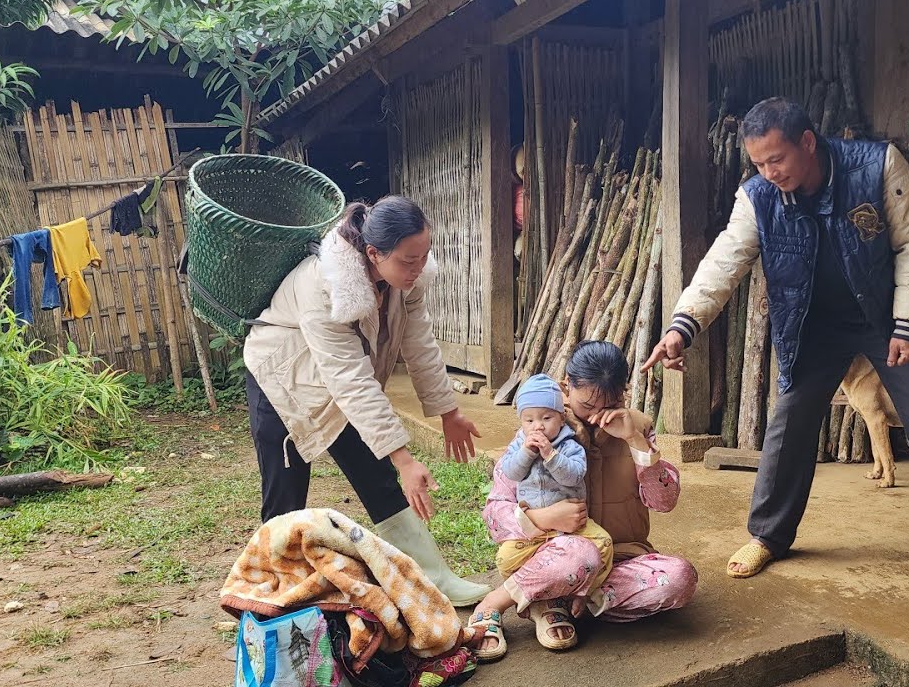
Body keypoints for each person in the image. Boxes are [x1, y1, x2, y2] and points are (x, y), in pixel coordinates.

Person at [642, 97, 909, 580]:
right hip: (812, 323)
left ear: (808, 143)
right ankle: (767, 536)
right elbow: (723, 262)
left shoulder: (877, 167)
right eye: (759, 163)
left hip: (886, 315)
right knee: (789, 423)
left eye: (777, 159)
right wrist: (682, 326)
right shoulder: (758, 197)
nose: (769, 172)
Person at [243, 195, 491, 607]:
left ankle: (432, 580)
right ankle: (270, 592)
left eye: (424, 256)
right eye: (408, 261)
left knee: (378, 477)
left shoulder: (405, 280)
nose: (418, 269)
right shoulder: (322, 286)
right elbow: (351, 379)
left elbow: (419, 341)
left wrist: (449, 412)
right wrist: (405, 458)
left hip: (338, 382)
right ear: (373, 253)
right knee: (286, 492)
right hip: (282, 379)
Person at [466, 341, 697, 660]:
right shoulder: (540, 427)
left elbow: (665, 502)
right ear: (566, 388)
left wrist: (634, 440)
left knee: (680, 578)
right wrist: (543, 519)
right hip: (557, 558)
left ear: (624, 394)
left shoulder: (638, 428)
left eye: (610, 404)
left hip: (620, 560)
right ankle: (496, 602)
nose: (598, 417)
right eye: (588, 405)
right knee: (581, 553)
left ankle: (562, 603)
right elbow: (495, 511)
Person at [494, 374, 615, 610]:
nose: (537, 426)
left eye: (546, 418)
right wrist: (527, 453)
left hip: (574, 526)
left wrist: (551, 456)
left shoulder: (570, 445)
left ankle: (583, 592)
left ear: (561, 419)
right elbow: (511, 473)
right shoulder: (518, 445)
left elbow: (574, 475)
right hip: (534, 529)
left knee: (604, 544)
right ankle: (542, 592)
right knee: (504, 558)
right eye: (529, 420)